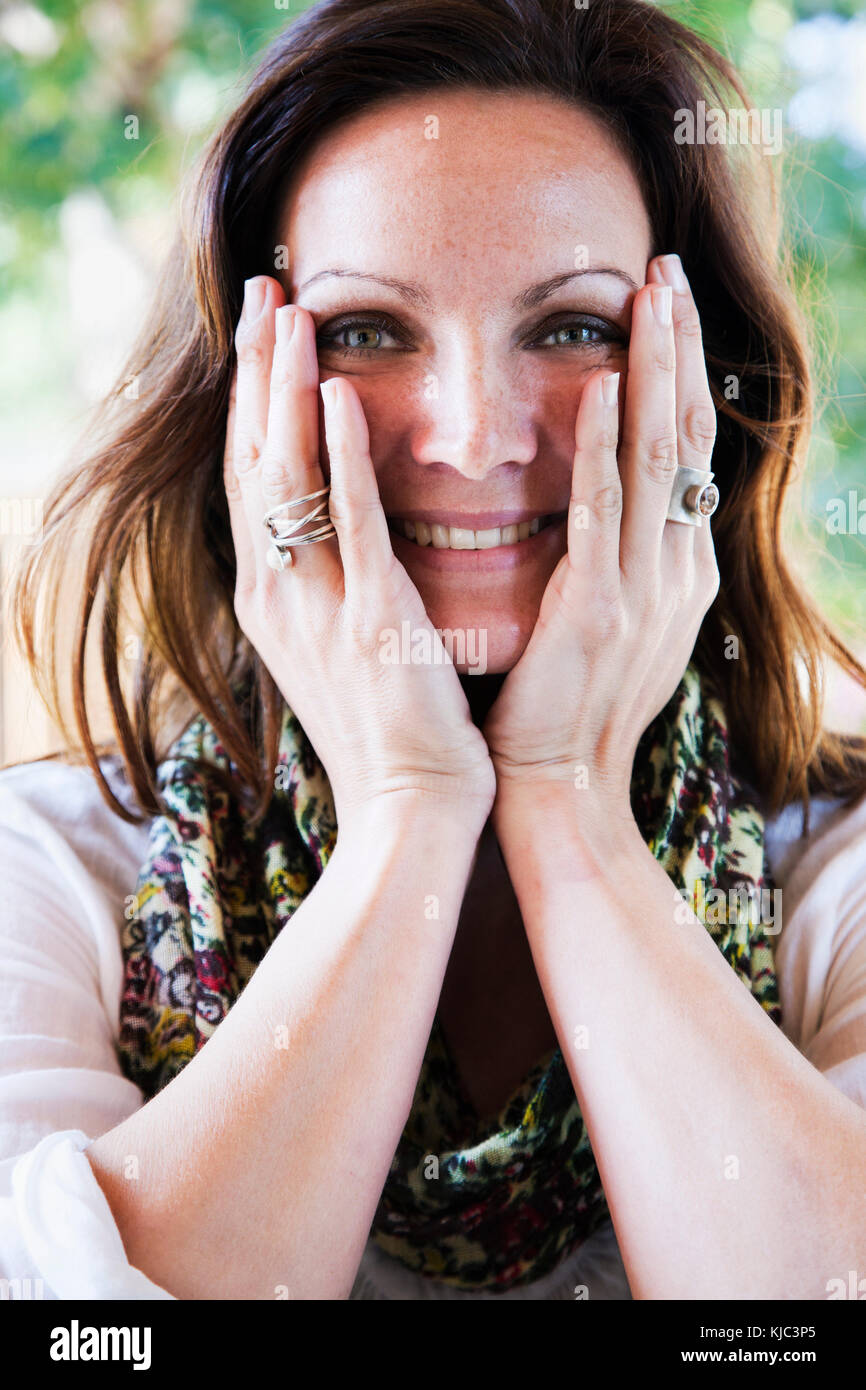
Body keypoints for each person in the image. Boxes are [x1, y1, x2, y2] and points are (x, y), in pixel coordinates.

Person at [2, 0, 866, 1302]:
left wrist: (570, 800)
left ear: (691, 386)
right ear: (241, 396)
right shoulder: (50, 872)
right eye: (363, 330)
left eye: (572, 326)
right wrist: (410, 809)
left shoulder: (836, 871)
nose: (473, 436)